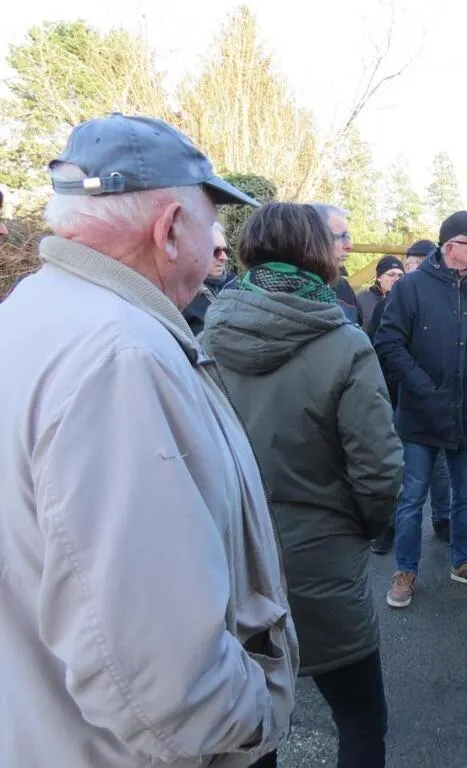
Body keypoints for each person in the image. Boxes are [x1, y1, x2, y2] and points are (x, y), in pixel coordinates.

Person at [0, 113, 297, 768]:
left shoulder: (33, 312)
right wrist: (253, 719)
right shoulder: (118, 356)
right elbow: (163, 677)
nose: (217, 243)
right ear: (168, 230)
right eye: (209, 221)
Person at [202, 202, 403, 768]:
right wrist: (363, 528)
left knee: (251, 727)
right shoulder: (344, 343)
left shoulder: (205, 334)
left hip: (232, 560)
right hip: (322, 557)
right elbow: (379, 469)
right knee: (362, 720)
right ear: (318, 253)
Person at [376, 210, 467, 608]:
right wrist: (426, 389)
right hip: (419, 416)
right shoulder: (411, 288)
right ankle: (405, 570)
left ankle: (463, 562)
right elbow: (389, 344)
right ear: (451, 248)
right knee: (412, 496)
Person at [368, 239, 452, 557]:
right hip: (392, 397)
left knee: (439, 465)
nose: (414, 268)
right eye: (410, 262)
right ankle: (389, 526)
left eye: (422, 261)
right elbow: (380, 349)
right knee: (395, 466)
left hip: (433, 399)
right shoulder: (385, 305)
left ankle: (443, 520)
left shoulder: (442, 301)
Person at [182, 221, 237, 334]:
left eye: (225, 251)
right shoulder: (182, 299)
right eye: (215, 251)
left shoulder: (238, 288)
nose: (224, 257)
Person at [313, 203, 362, 325]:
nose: (349, 245)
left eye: (348, 236)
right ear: (315, 239)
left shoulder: (344, 288)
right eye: (342, 236)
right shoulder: (287, 288)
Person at [357, 255, 404, 334]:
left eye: (400, 275)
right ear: (379, 277)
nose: (396, 279)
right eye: (391, 275)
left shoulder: (408, 300)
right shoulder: (362, 298)